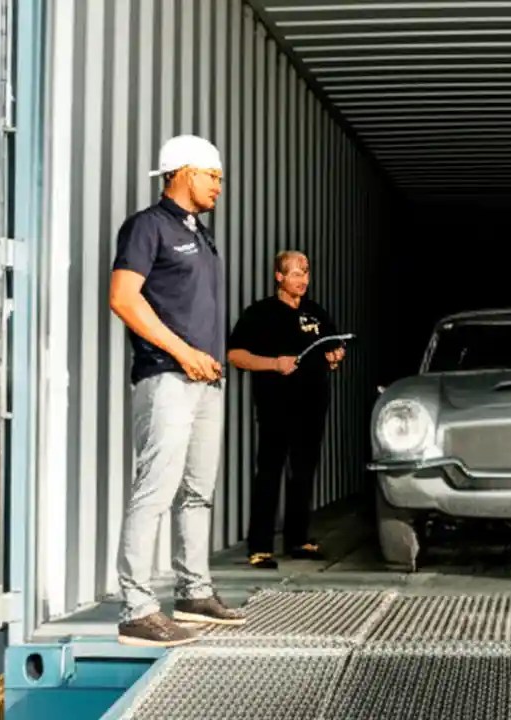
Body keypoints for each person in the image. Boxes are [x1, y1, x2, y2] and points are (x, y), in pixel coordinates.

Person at [108, 134, 246, 647]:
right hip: (167, 376)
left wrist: (205, 363)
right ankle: (138, 609)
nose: (219, 185)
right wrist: (183, 353)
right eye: (213, 176)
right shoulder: (148, 227)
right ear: (184, 172)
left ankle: (194, 593)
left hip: (206, 382)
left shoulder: (200, 233)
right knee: (155, 490)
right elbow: (123, 298)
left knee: (197, 494)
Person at [226, 250, 346, 570]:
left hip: (313, 404)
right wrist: (274, 364)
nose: (302, 279)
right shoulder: (260, 313)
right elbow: (236, 355)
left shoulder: (315, 313)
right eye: (295, 273)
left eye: (306, 272)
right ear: (279, 276)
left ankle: (297, 539)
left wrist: (335, 355)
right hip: (276, 406)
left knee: (303, 471)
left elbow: (333, 345)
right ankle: (260, 547)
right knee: (270, 471)